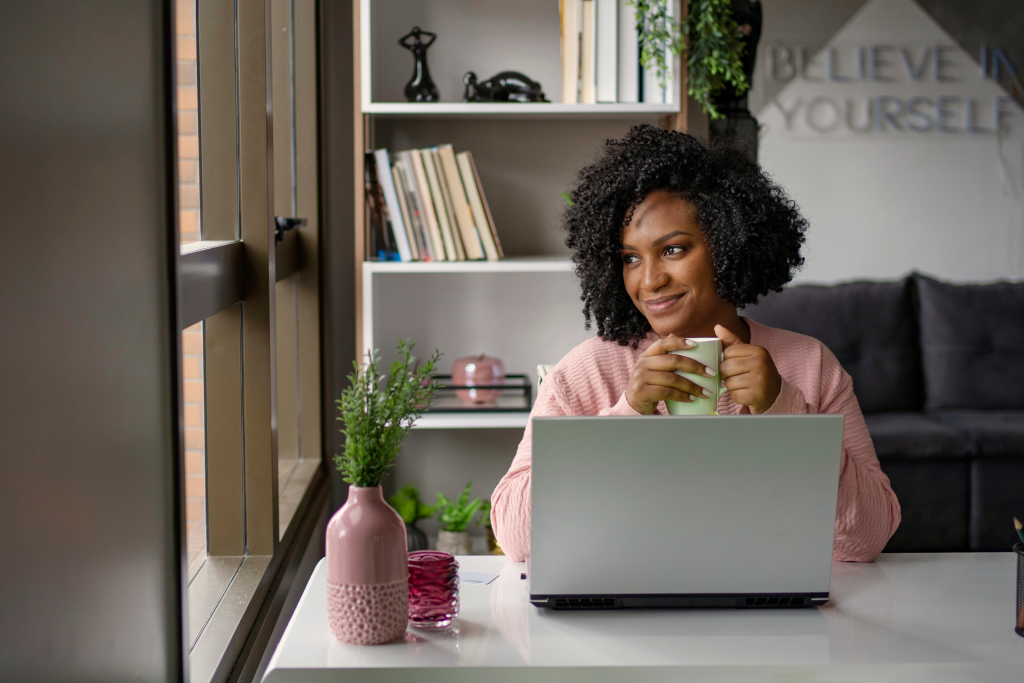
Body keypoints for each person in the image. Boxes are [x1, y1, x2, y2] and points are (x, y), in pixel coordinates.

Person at [491, 125, 900, 563]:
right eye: (631, 258)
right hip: (625, 608)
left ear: (729, 244)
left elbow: (869, 539)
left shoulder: (808, 364)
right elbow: (516, 538)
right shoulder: (587, 371)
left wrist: (782, 410)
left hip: (763, 607)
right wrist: (627, 416)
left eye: (673, 250)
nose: (649, 281)